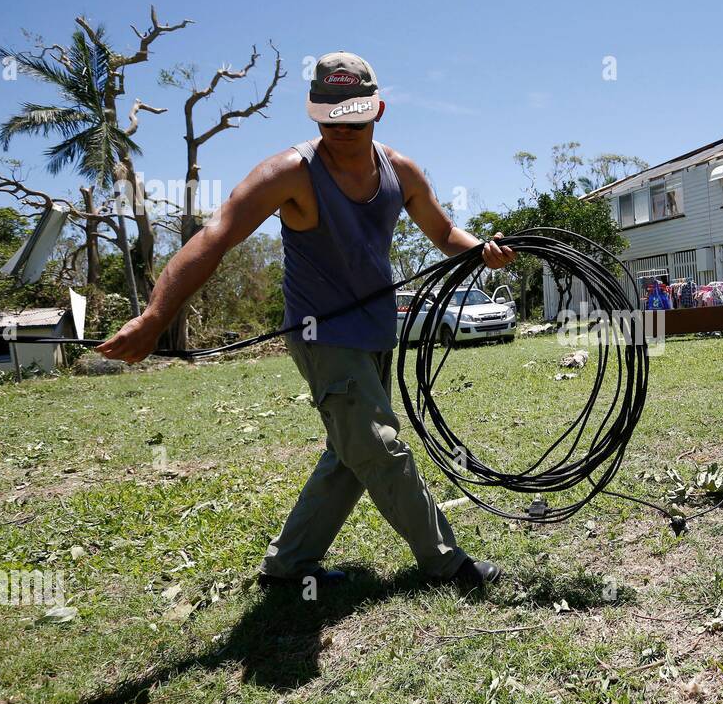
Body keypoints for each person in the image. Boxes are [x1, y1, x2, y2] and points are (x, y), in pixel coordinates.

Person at [99, 51, 516, 593]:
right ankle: (448, 566)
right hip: (322, 336)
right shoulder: (290, 173)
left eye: (355, 115)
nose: (343, 127)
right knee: (378, 445)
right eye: (330, 115)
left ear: (379, 110)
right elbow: (215, 236)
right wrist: (156, 315)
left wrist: (482, 251)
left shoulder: (401, 171)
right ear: (314, 112)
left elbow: (443, 234)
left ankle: (289, 567)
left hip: (374, 332)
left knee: (350, 454)